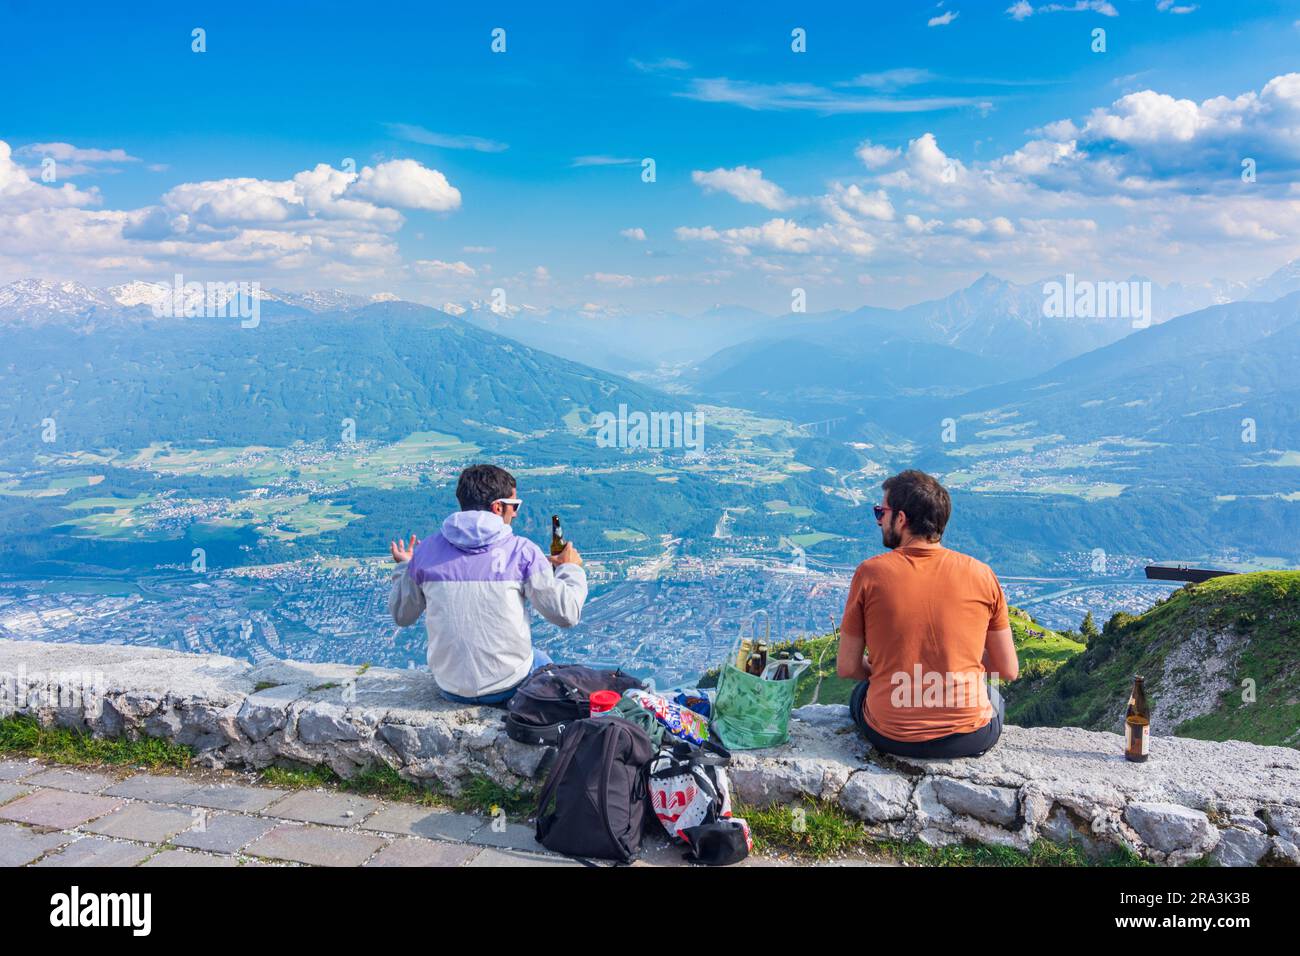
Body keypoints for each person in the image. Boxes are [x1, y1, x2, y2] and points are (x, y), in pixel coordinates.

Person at [837, 469, 1018, 759]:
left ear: (901, 519)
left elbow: (847, 667)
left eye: (881, 512)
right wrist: (959, 666)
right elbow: (1007, 669)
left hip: (890, 735)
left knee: (860, 694)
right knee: (994, 697)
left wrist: (882, 670)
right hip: (969, 738)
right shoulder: (982, 574)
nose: (879, 520)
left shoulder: (870, 573)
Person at [387, 463, 586, 705]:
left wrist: (404, 568)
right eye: (515, 506)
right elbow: (567, 615)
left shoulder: (426, 552)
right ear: (498, 507)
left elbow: (402, 616)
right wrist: (570, 568)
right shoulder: (522, 552)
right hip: (508, 685)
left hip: (450, 687)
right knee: (550, 667)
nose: (516, 513)